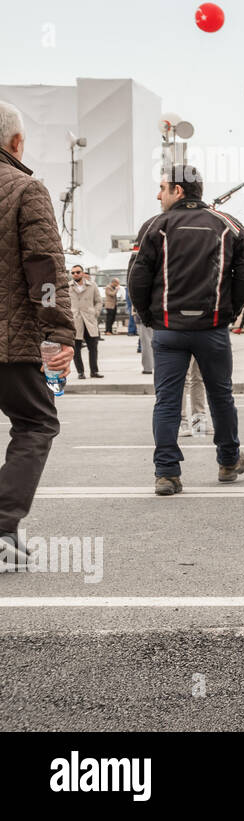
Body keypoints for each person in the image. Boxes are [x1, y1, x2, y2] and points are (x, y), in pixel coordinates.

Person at [127, 164, 244, 496]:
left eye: (162, 187)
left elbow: (137, 279)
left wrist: (149, 318)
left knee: (167, 401)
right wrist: (230, 312)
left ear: (178, 191)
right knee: (221, 396)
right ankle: (228, 460)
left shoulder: (155, 226)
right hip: (212, 328)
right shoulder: (228, 225)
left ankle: (167, 473)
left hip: (168, 329)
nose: (159, 194)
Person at [0, 99, 75, 562]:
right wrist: (59, 334)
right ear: (16, 141)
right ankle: (3, 526)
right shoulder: (25, 189)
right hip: (10, 343)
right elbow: (43, 269)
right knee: (36, 422)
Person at [68, 264, 103, 379]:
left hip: (89, 319)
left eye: (77, 272)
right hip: (75, 320)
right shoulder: (68, 287)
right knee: (76, 348)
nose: (75, 274)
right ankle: (80, 372)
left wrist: (95, 312)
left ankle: (94, 371)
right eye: (73, 273)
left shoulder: (92, 285)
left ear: (82, 273)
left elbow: (99, 301)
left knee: (93, 347)